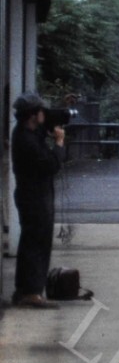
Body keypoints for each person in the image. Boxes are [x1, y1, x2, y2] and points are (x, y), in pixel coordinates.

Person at [11, 93, 65, 308]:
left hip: (33, 194)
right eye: (41, 111)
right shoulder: (27, 141)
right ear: (33, 115)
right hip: (34, 197)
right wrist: (60, 143)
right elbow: (51, 165)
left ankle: (27, 290)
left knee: (33, 242)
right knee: (36, 243)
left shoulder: (27, 133)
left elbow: (44, 129)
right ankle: (30, 292)